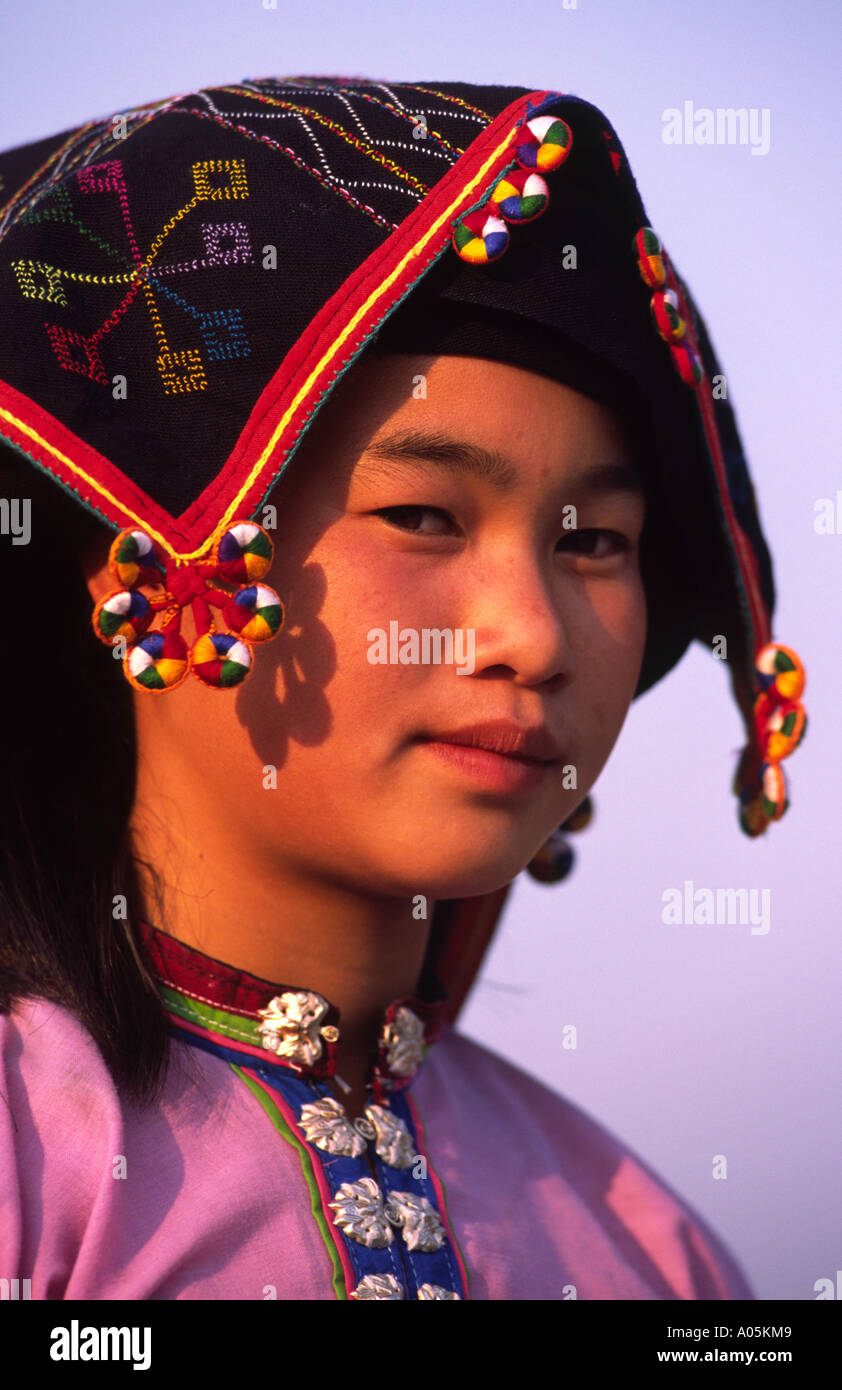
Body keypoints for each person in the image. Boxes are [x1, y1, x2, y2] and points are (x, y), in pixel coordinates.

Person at [0, 75, 806, 1300]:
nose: (531, 637)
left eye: (594, 542)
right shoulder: (28, 1168)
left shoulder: (655, 1259)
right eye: (423, 515)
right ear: (151, 552)